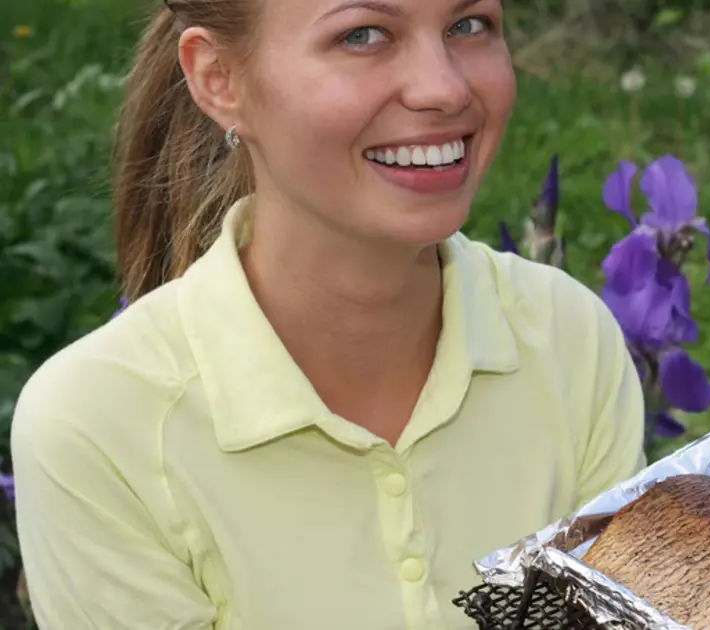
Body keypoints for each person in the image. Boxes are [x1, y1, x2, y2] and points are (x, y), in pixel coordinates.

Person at [10, 0, 646, 628]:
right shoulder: (98, 429)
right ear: (218, 79)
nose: (444, 88)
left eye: (468, 25)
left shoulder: (569, 338)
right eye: (363, 35)